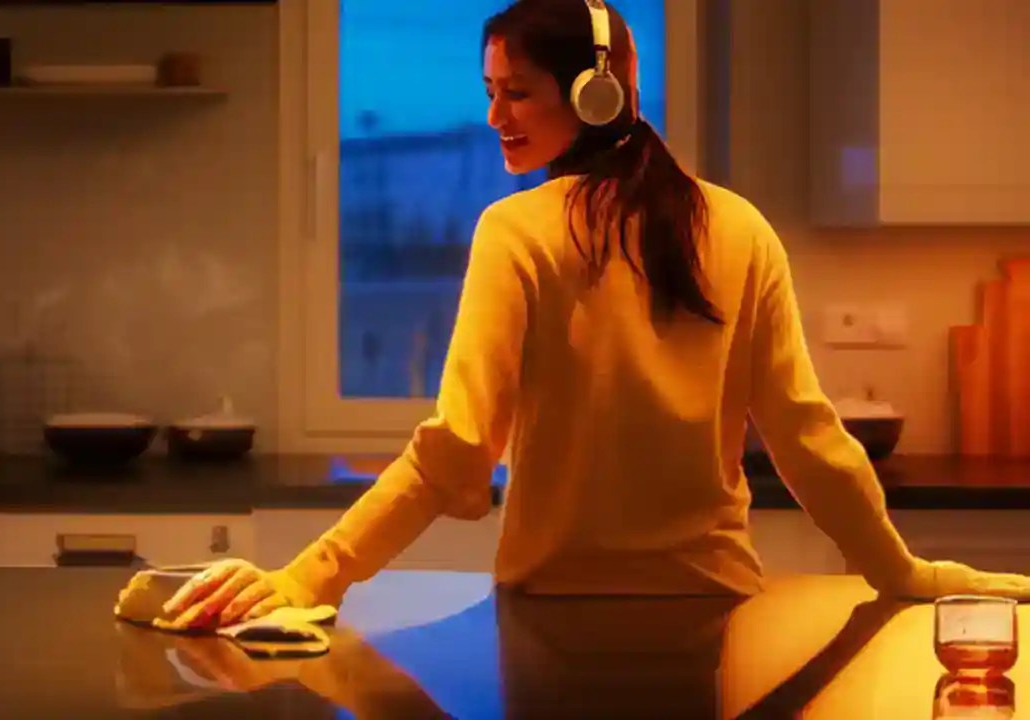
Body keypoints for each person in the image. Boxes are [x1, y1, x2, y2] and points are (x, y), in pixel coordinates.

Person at [132, 0, 1030, 630]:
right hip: (717, 610)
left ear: (597, 91)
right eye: (490, 91)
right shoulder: (738, 226)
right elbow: (809, 437)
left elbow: (457, 447)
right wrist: (897, 570)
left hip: (552, 615)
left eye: (515, 91)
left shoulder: (516, 230)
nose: (493, 116)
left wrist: (308, 575)